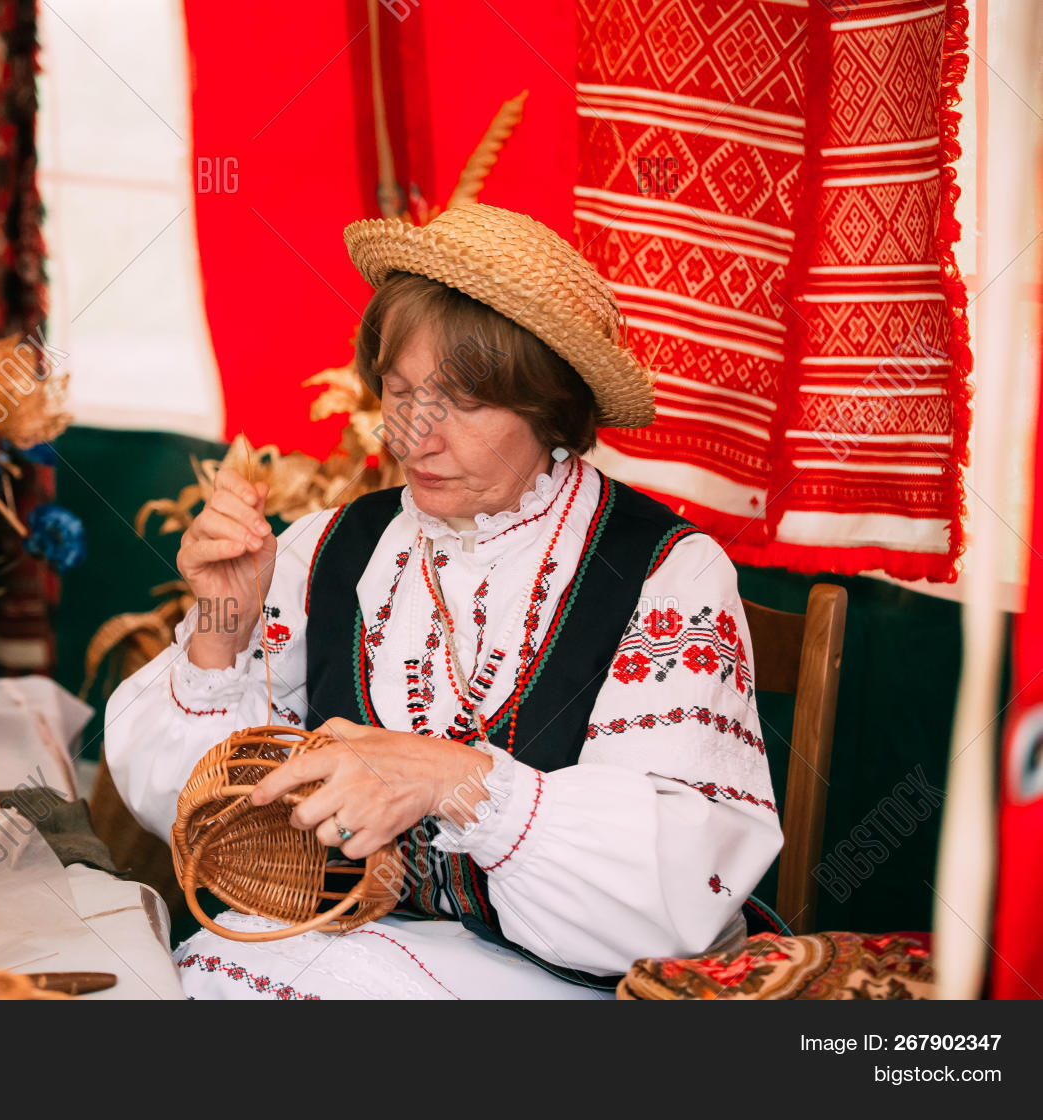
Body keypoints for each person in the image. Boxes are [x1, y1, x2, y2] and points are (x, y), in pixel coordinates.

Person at [105, 203, 782, 999]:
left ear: (550, 408)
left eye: (463, 404)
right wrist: (221, 628)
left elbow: (677, 893)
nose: (416, 437)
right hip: (347, 948)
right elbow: (203, 814)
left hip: (562, 980)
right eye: (399, 392)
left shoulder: (665, 573)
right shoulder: (332, 546)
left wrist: (457, 781)